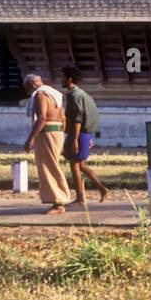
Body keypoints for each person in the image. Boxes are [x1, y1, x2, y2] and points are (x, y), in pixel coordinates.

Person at [23, 73, 71, 213]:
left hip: (47, 132)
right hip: (57, 132)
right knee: (52, 165)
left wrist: (30, 139)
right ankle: (59, 199)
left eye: (27, 87)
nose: (27, 91)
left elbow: (42, 118)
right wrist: (62, 135)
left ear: (31, 85)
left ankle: (59, 202)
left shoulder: (40, 95)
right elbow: (63, 117)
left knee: (47, 167)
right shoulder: (54, 94)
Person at [61, 66, 108, 204]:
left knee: (74, 165)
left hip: (79, 134)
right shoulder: (83, 94)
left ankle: (81, 197)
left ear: (69, 79)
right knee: (81, 165)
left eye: (63, 77)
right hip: (85, 133)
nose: (61, 79)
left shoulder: (74, 96)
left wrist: (75, 140)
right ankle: (101, 188)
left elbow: (77, 119)